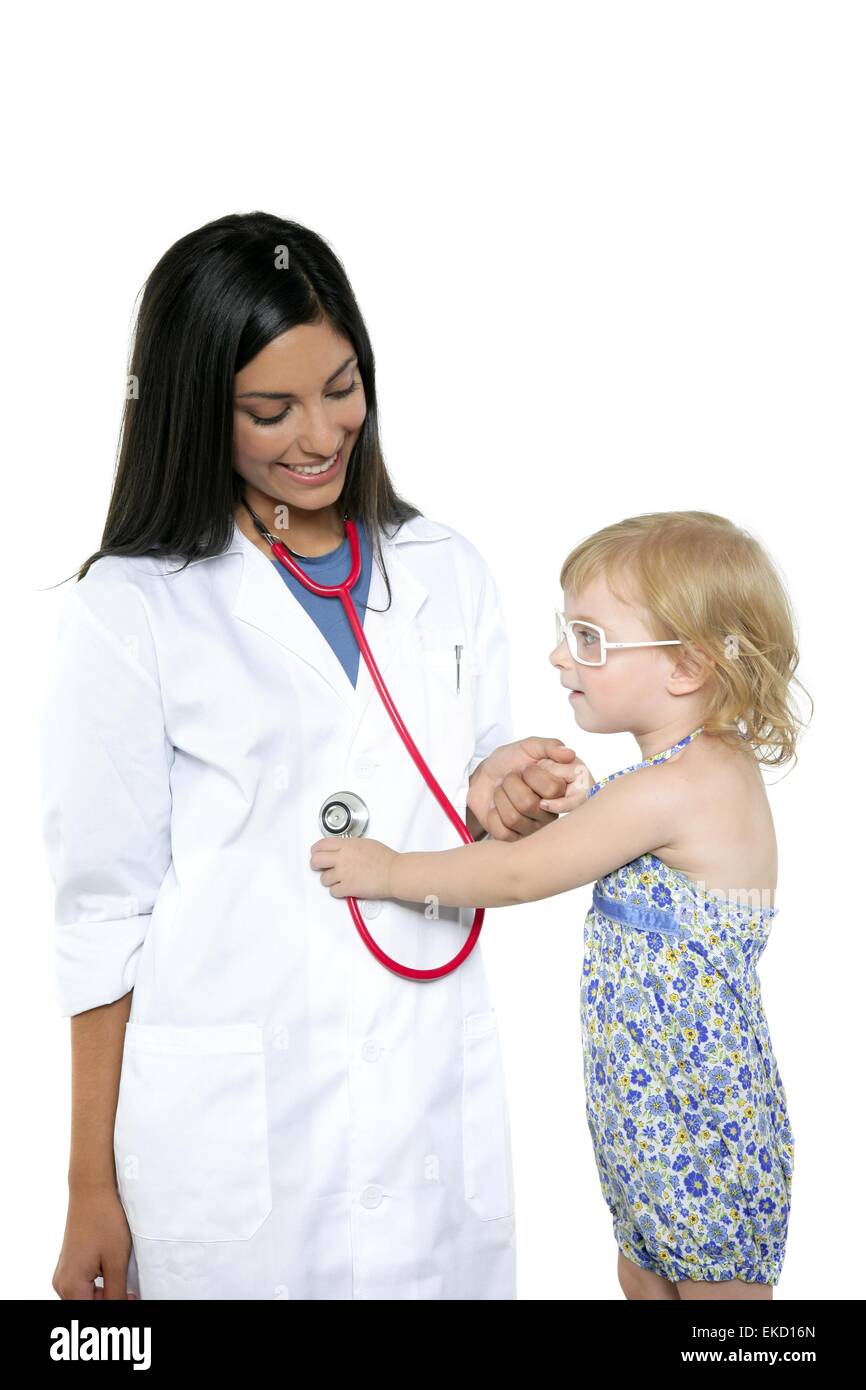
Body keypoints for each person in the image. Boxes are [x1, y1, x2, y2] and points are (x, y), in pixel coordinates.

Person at [38, 211, 583, 1301]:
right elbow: (103, 913)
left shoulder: (443, 568)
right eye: (268, 410)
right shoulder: (135, 607)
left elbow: (459, 790)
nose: (320, 433)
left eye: (341, 387)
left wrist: (498, 790)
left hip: (426, 1099)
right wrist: (88, 1182)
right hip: (226, 1131)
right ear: (197, 411)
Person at [311, 509, 810, 1300]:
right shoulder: (691, 768)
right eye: (564, 630)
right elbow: (623, 829)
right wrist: (579, 797)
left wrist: (391, 868)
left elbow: (516, 878)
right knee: (643, 1279)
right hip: (644, 1111)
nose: (558, 655)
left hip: (701, 1120)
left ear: (686, 666)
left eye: (589, 639)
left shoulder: (678, 787)